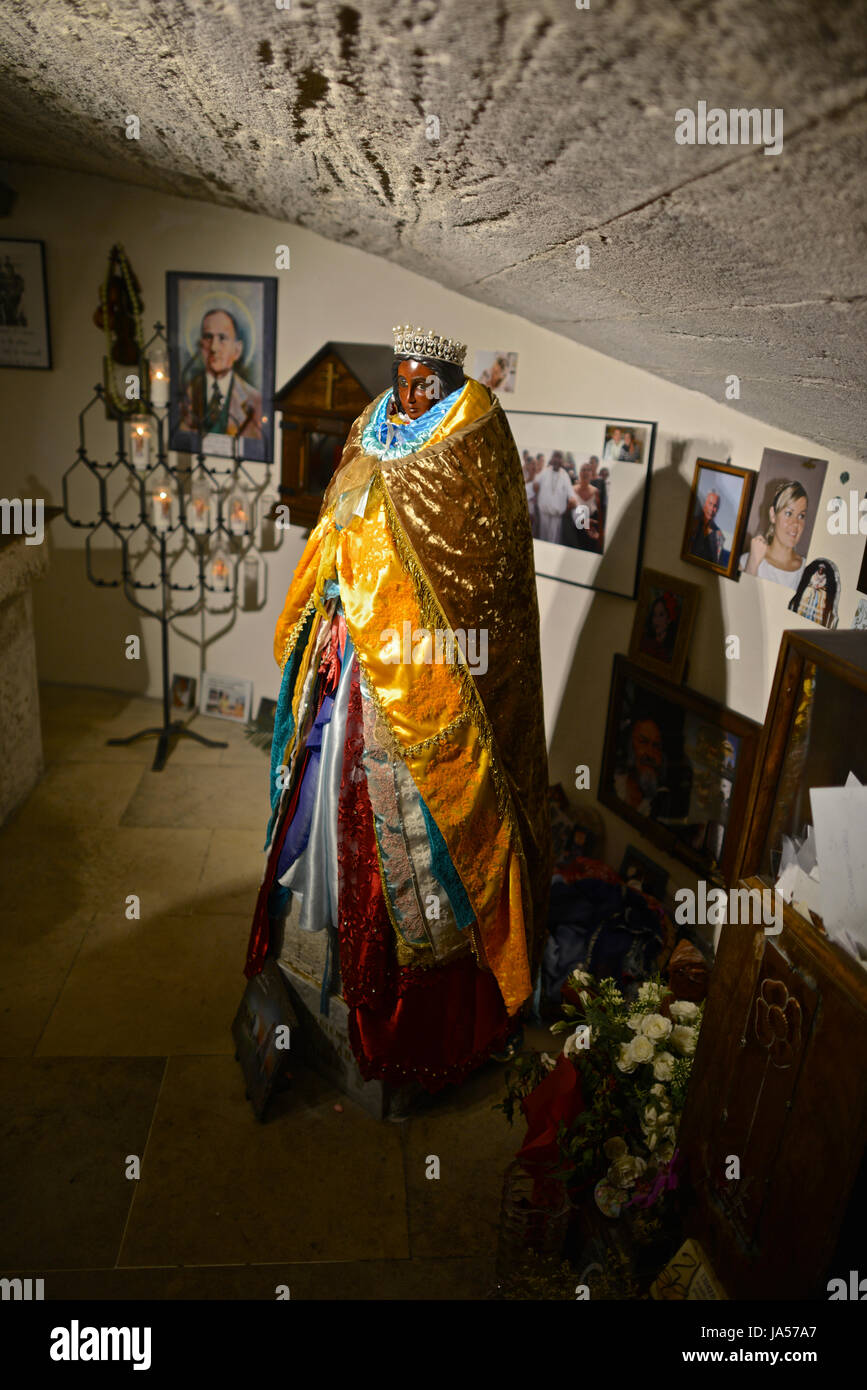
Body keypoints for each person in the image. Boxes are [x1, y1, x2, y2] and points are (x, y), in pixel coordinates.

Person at [244, 324, 551, 1101]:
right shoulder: (368, 431)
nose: (411, 396)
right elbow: (333, 533)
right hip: (348, 669)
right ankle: (318, 961)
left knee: (412, 846)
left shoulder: (469, 439)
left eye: (427, 384)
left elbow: (482, 576)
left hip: (422, 686)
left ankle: (414, 1023)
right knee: (325, 809)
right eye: (403, 379)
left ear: (451, 384)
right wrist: (328, 616)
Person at [179, 308, 263, 438]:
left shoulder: (254, 400)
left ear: (237, 349)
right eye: (208, 337)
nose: (213, 347)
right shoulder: (187, 393)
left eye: (222, 338)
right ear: (201, 346)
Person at [739, 480, 808, 588]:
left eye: (801, 516)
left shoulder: (808, 572)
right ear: (773, 515)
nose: (796, 524)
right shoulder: (746, 561)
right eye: (789, 513)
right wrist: (752, 564)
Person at [614, 716, 670, 817]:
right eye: (643, 742)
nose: (650, 754)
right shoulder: (614, 784)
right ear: (629, 745)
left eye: (656, 746)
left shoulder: (663, 803)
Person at [533, 450, 574, 543]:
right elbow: (535, 485)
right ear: (551, 459)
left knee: (554, 542)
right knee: (543, 541)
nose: (556, 459)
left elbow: (571, 496)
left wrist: (567, 508)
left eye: (559, 457)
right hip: (543, 515)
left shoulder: (565, 475)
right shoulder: (544, 472)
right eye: (555, 457)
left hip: (557, 517)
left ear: (562, 461)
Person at [564, 460, 602, 551]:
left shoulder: (596, 492)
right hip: (574, 535)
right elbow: (564, 514)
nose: (585, 472)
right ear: (579, 473)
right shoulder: (571, 490)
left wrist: (600, 537)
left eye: (588, 470)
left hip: (591, 534)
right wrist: (568, 507)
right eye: (583, 470)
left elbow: (600, 516)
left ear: (591, 474)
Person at [788, 559, 837, 628]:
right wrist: (814, 585)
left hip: (818, 590)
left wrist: (818, 586)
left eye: (822, 569)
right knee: (808, 592)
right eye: (820, 569)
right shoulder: (814, 574)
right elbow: (812, 581)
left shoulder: (824, 577)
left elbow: (823, 584)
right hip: (812, 588)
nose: (821, 570)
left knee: (821, 596)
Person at [689, 489, 725, 565]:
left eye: (715, 506)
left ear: (717, 509)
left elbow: (717, 565)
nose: (712, 509)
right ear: (704, 504)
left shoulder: (719, 536)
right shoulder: (692, 523)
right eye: (710, 503)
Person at [640, 593, 679, 662]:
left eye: (661, 615)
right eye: (654, 615)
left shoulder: (672, 649)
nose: (656, 620)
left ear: (669, 619)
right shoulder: (645, 642)